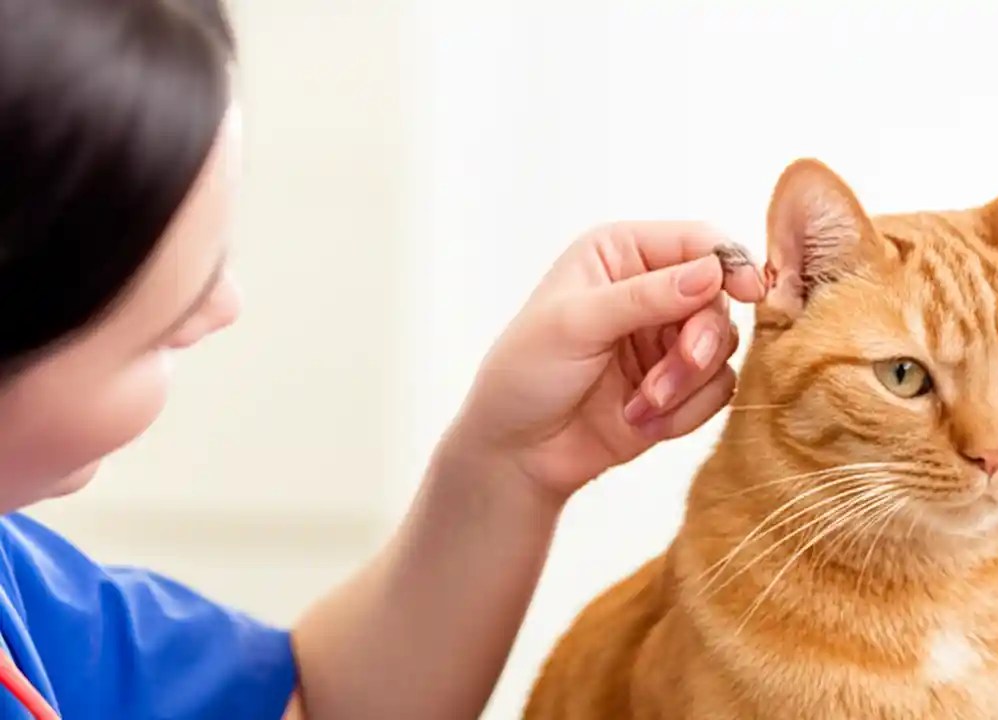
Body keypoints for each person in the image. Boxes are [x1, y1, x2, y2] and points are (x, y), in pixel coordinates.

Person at [0, 0, 765, 718]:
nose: (223, 306)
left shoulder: (28, 599)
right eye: (161, 332)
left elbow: (316, 703)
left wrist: (512, 462)